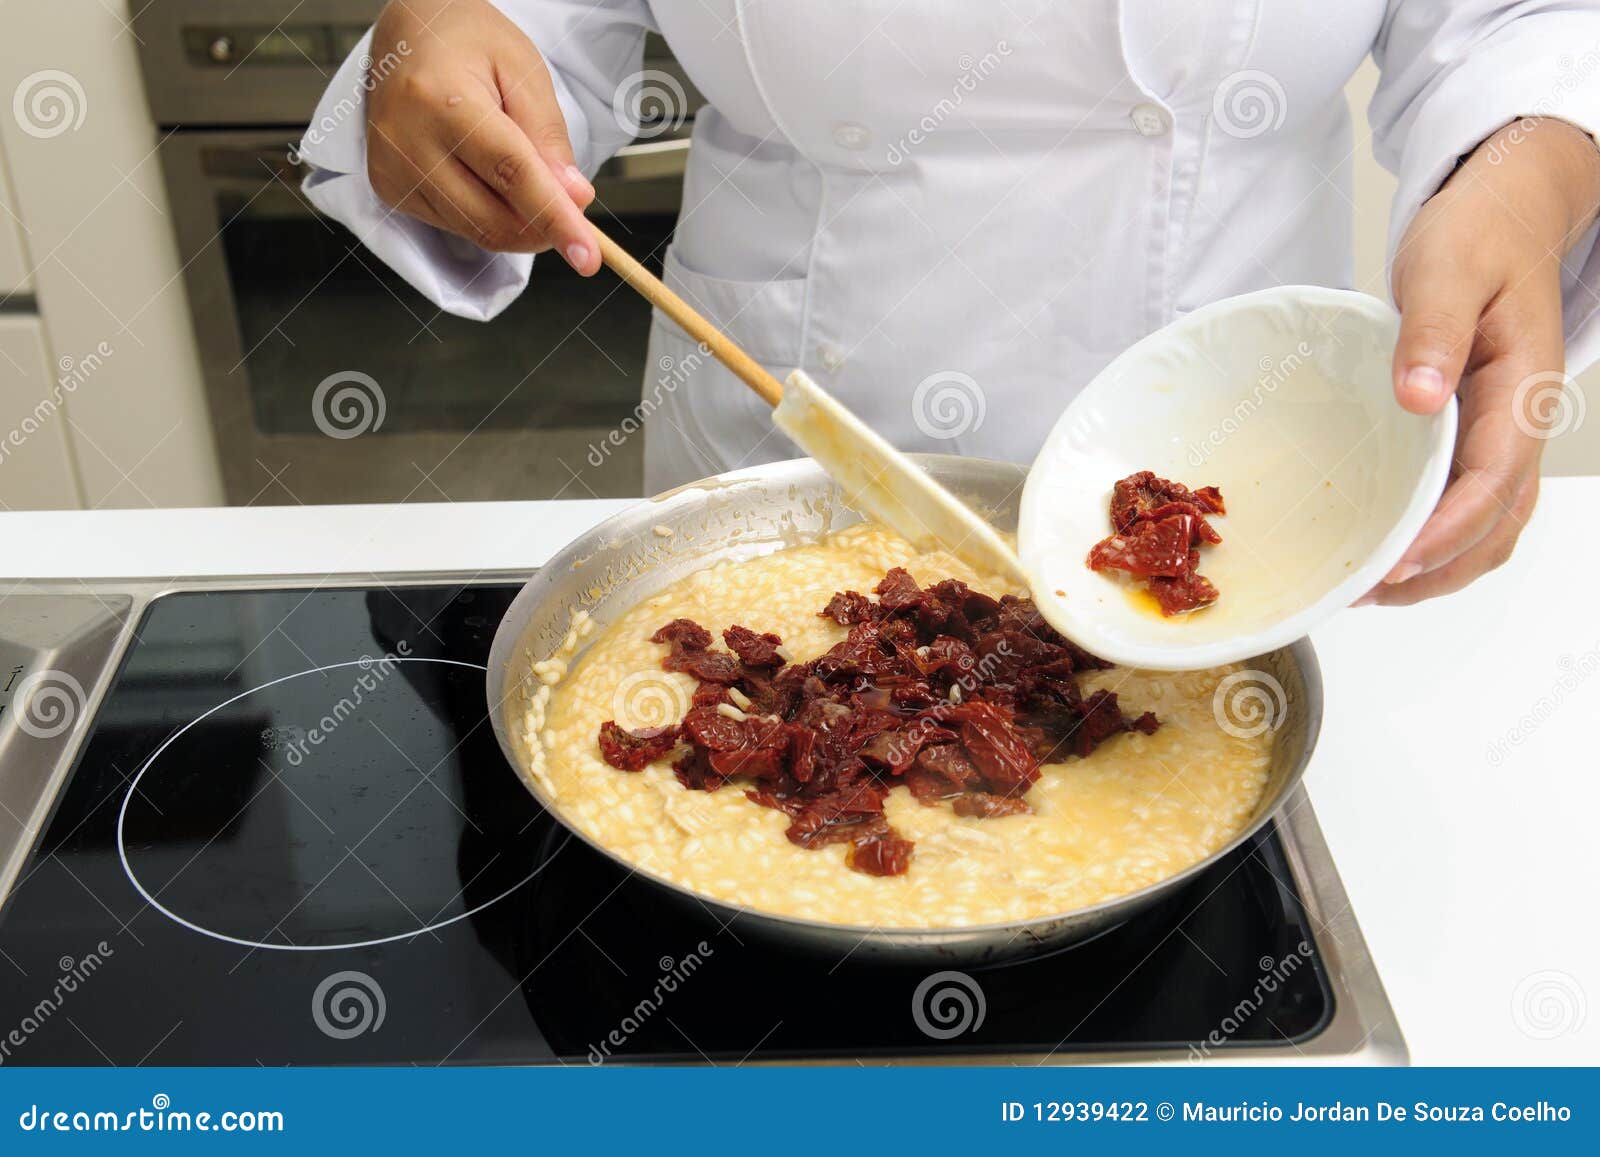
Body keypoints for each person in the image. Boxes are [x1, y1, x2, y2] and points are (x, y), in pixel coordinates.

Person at [299, 0, 1600, 607]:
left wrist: (1525, 181)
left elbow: (1514, 23)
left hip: (1244, 486)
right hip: (792, 480)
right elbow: (511, 22)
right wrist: (445, 49)